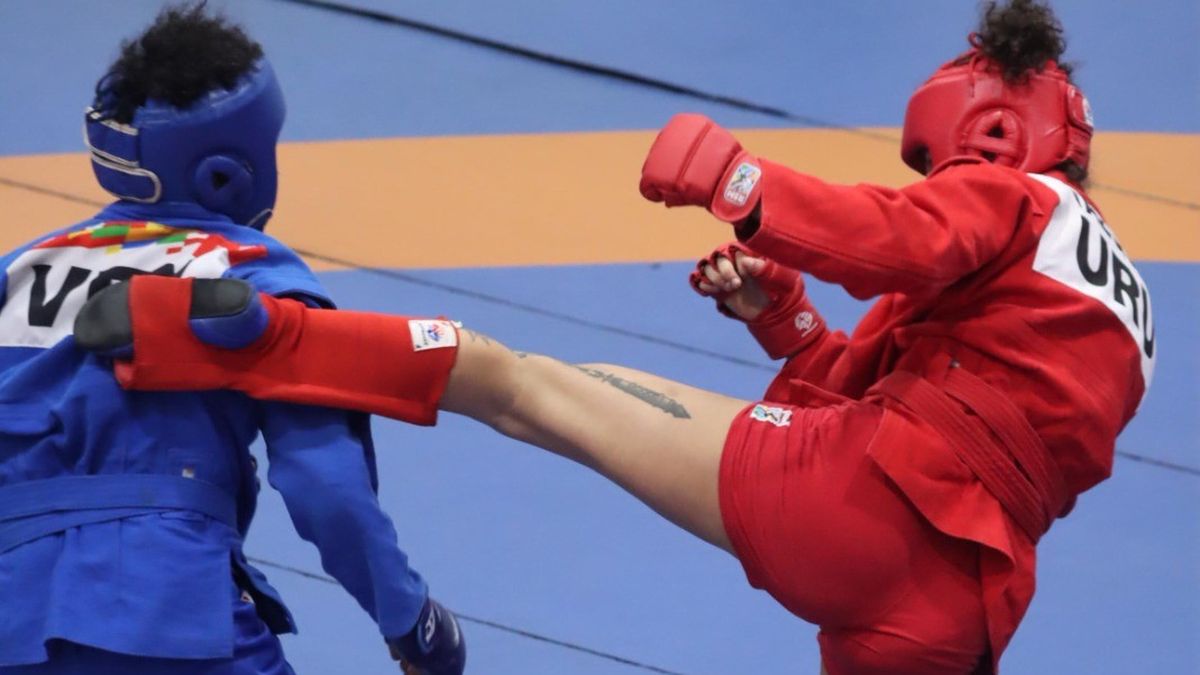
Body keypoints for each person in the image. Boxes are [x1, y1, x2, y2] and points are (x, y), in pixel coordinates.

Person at [74, 1, 1152, 673]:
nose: (939, 178)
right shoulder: (1111, 310)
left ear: (1000, 134)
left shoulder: (1022, 206)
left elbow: (900, 243)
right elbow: (902, 405)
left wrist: (746, 185)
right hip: (953, 609)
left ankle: (205, 329)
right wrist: (784, 318)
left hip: (862, 504)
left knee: (519, 382)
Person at [0, 4, 463, 675]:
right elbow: (324, 484)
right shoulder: (253, 271)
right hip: (168, 610)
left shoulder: (15, 268)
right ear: (229, 173)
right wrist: (410, 619)